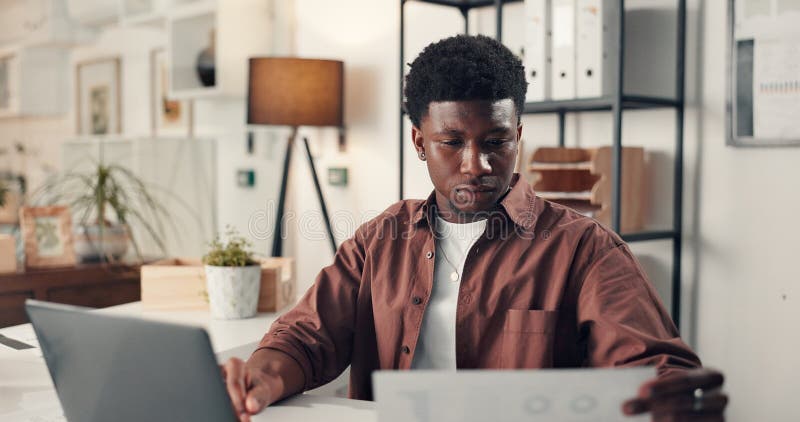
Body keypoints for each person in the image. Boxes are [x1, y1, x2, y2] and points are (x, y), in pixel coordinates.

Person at [222, 34, 727, 421]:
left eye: (496, 142)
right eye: (452, 142)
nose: (477, 164)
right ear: (420, 143)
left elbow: (654, 370)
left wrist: (673, 398)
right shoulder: (380, 240)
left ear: (519, 137)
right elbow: (303, 340)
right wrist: (259, 379)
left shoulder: (585, 249)